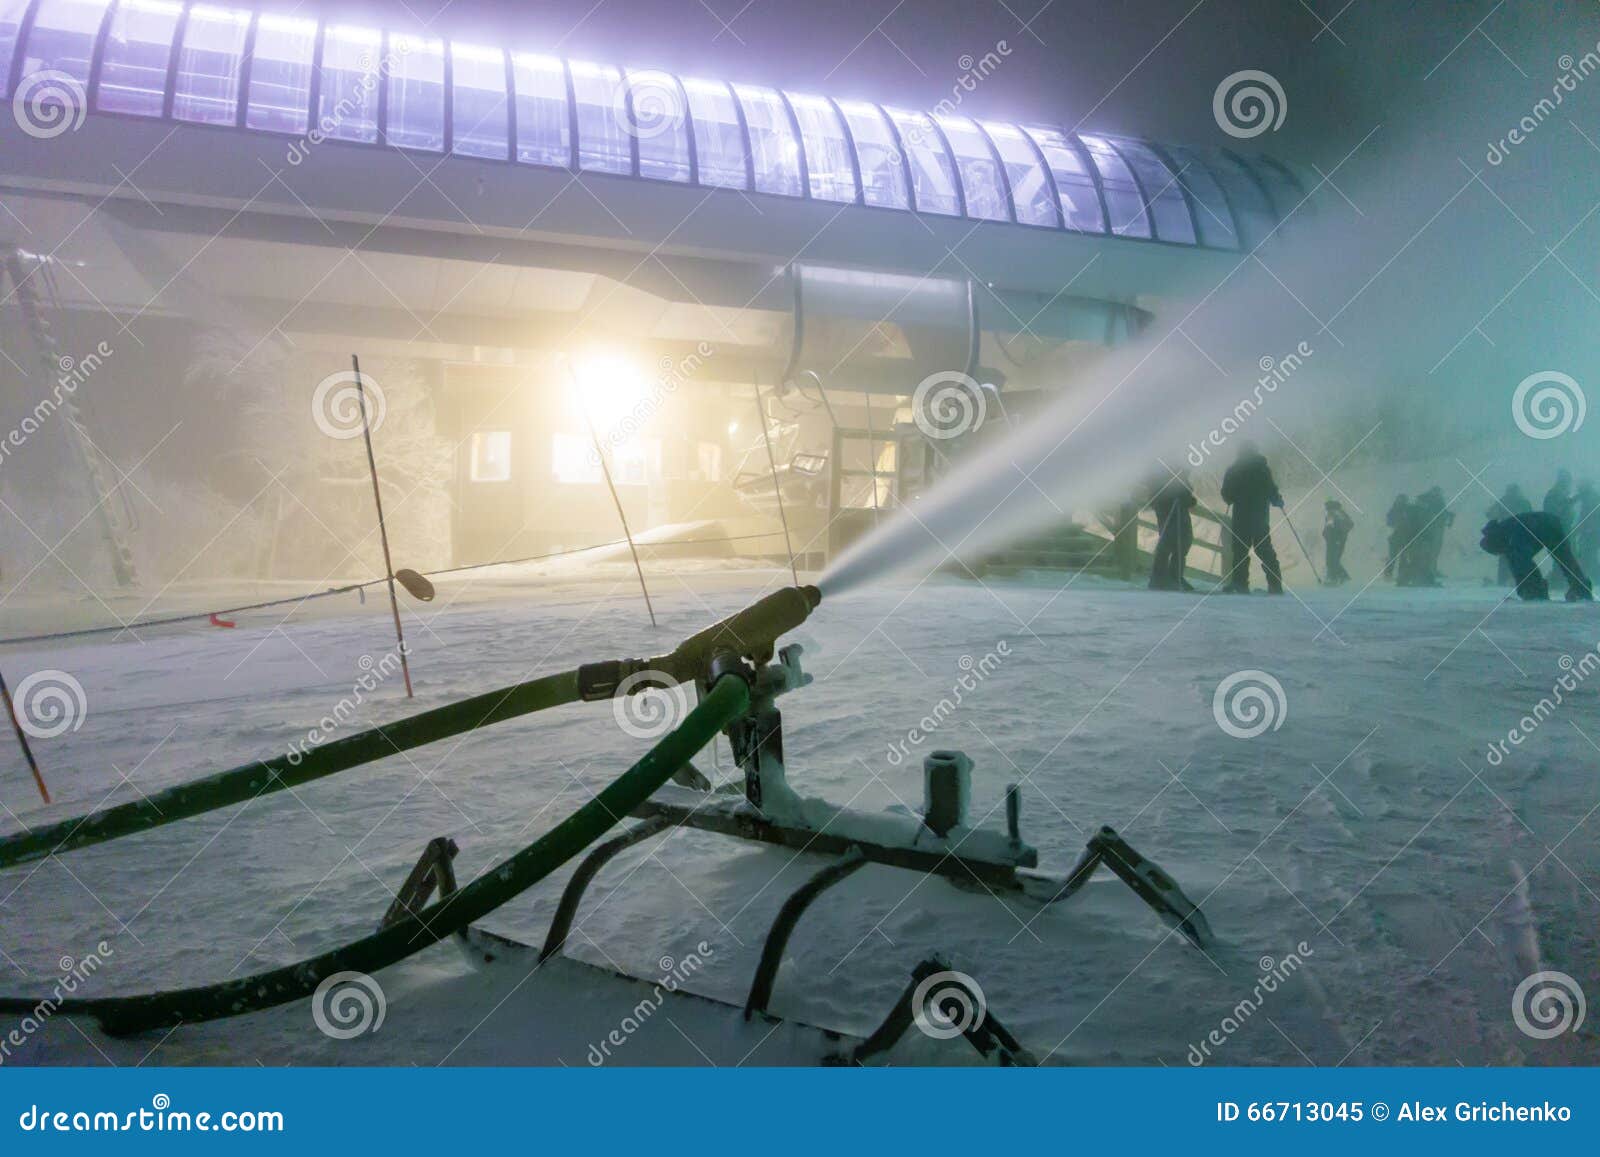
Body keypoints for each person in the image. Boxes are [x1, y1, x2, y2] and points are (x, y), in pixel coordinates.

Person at [1480, 511, 1593, 601]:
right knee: (1565, 559)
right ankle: (1580, 589)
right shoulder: (1505, 530)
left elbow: (1523, 564)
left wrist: (1526, 588)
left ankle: (1535, 591)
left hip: (1543, 526)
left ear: (1495, 544)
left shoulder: (1511, 534)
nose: (1501, 554)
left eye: (1497, 552)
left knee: (1520, 559)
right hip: (1552, 523)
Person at [1220, 441, 1284, 593]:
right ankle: (1275, 585)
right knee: (1264, 549)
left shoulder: (1234, 470)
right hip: (1260, 516)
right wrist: (1277, 500)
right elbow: (1271, 489)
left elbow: (1227, 494)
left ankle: (1240, 583)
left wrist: (1231, 498)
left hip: (1241, 515)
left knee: (1240, 550)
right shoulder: (1262, 469)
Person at [1147, 468, 1198, 591]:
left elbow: (1184, 489)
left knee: (1182, 542)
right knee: (1168, 541)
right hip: (1169, 509)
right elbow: (1159, 492)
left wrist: (1187, 499)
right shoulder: (1164, 472)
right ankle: (1159, 577)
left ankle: (1175, 576)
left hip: (1178, 509)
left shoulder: (1177, 471)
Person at [1488, 484, 1533, 586]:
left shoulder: (1503, 501)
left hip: (1506, 533)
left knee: (1506, 557)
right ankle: (1520, 581)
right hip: (1518, 534)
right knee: (1517, 557)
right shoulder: (1523, 502)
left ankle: (1505, 580)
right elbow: (1531, 516)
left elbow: (1490, 514)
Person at [1409, 486, 1452, 587]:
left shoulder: (1435, 500)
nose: (1438, 494)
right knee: (1427, 552)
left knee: (1433, 552)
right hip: (1428, 530)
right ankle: (1426, 573)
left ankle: (1431, 571)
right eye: (1437, 492)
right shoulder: (1426, 500)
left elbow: (1442, 512)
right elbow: (1423, 513)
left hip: (1434, 529)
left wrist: (1447, 516)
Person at [1322, 499, 1354, 585]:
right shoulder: (1334, 513)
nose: (1326, 509)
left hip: (1336, 540)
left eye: (1327, 507)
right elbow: (1329, 527)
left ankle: (1336, 578)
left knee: (1332, 560)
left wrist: (1340, 534)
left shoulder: (1335, 514)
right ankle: (1335, 577)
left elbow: (1349, 525)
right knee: (1331, 560)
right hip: (1333, 540)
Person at [1574, 480, 1600, 576]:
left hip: (1591, 534)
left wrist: (1578, 529)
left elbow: (1586, 518)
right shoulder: (1591, 498)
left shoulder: (1591, 499)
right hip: (1591, 533)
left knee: (1588, 557)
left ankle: (1594, 579)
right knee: (1589, 557)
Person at [1385, 494, 1412, 581]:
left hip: (1403, 537)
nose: (1402, 501)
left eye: (1403, 500)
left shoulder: (1407, 510)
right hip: (1396, 537)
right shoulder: (1394, 510)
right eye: (1400, 500)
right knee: (1394, 557)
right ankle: (1389, 574)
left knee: (1402, 557)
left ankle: (1399, 575)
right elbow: (1389, 522)